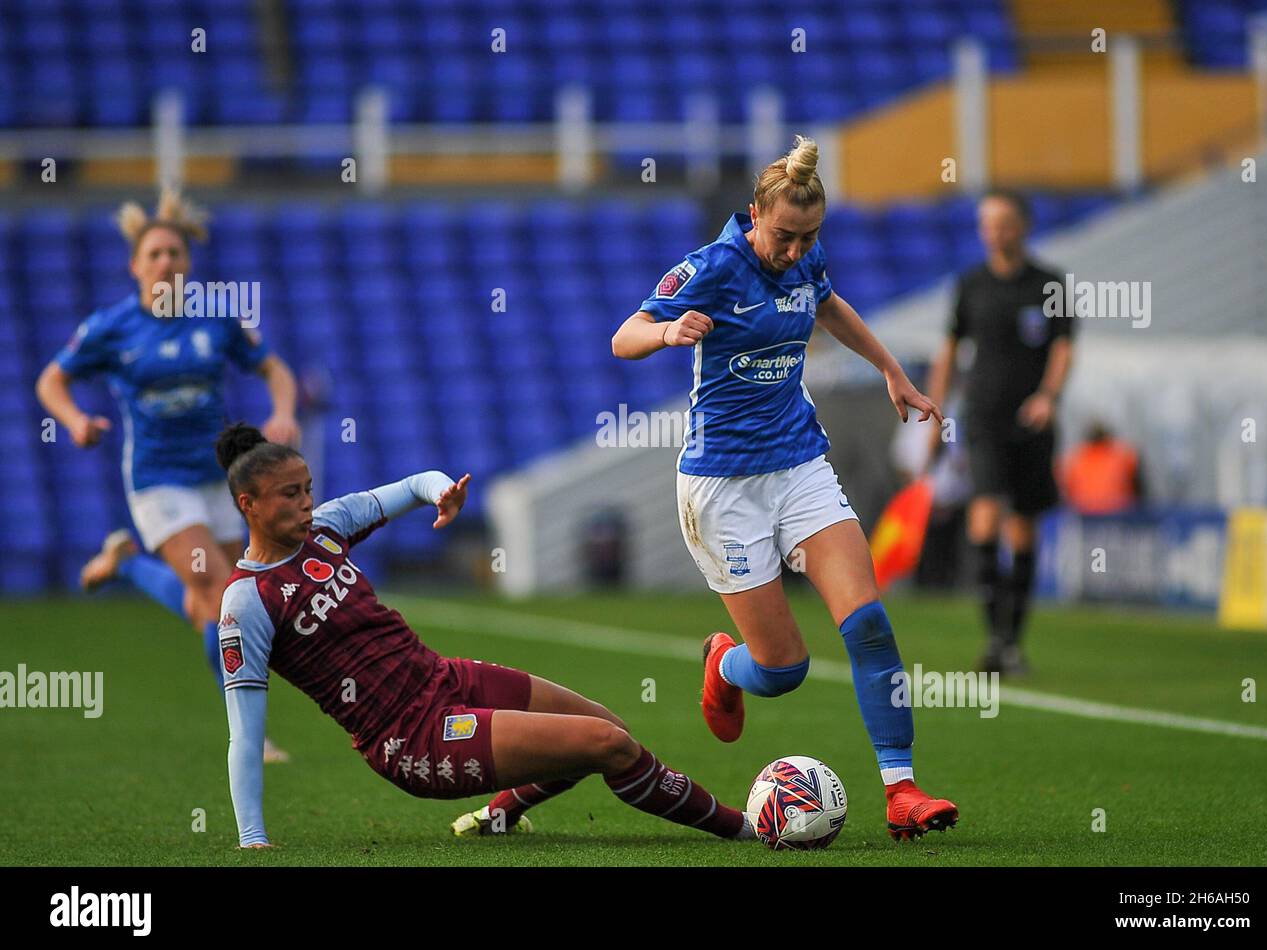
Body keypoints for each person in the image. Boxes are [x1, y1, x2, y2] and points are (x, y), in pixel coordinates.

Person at [609, 135, 958, 841]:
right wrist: (670, 330)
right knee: (784, 668)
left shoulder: (807, 256)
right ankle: (724, 665)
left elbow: (829, 306)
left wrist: (892, 369)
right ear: (754, 215)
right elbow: (624, 336)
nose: (797, 251)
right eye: (785, 236)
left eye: (810, 237)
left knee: (868, 622)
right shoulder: (712, 266)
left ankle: (902, 790)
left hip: (798, 466)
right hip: (722, 489)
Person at [214, 423, 753, 848]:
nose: (306, 503)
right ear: (249, 505)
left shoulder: (328, 527)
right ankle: (745, 828)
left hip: (446, 678)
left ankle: (498, 816)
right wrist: (253, 839)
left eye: (307, 489)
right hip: (411, 736)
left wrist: (441, 492)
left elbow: (410, 486)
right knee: (607, 746)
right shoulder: (246, 602)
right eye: (290, 495)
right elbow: (244, 732)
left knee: (607, 726)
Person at [34, 189, 300, 761]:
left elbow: (274, 368)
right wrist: (76, 420)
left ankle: (127, 563)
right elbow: (50, 380)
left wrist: (283, 412)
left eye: (174, 253)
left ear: (189, 262)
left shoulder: (218, 317)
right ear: (134, 265)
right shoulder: (111, 327)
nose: (165, 263)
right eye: (153, 254)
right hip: (159, 483)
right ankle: (249, 732)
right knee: (228, 593)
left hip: (219, 478)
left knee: (215, 600)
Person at [926, 189, 1074, 675]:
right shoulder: (971, 285)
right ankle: (994, 639)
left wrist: (1048, 398)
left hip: (1031, 423)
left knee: (1023, 526)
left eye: (1003, 221)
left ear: (1023, 225)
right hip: (983, 419)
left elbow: (1062, 348)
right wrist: (935, 412)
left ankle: (1012, 640)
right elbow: (949, 351)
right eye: (986, 222)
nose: (994, 230)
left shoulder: (1049, 285)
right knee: (985, 517)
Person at [1058, 421, 1143, 515]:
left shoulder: (1074, 459)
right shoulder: (1125, 455)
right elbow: (1138, 488)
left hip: (1084, 514)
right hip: (1119, 513)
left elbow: (1066, 491)